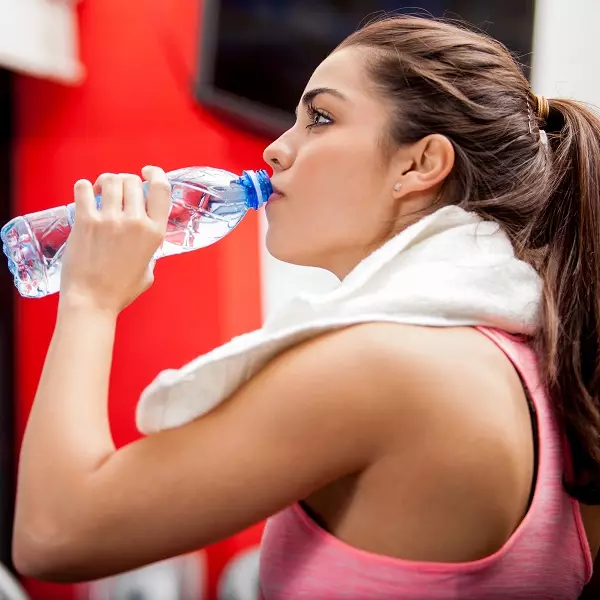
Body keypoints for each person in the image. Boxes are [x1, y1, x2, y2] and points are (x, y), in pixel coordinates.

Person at [11, 15, 600, 599]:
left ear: (419, 164)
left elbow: (54, 535)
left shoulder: (385, 364)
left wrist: (89, 298)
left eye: (320, 118)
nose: (274, 149)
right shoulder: (541, 362)